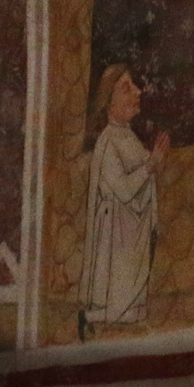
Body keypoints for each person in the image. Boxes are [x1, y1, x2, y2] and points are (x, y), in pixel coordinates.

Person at [79, 64, 169, 332]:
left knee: (131, 307)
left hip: (132, 230)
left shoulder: (127, 136)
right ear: (109, 100)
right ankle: (92, 320)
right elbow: (126, 189)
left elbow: (145, 175)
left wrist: (155, 163)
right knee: (116, 304)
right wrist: (152, 163)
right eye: (126, 88)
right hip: (116, 232)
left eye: (134, 86)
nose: (137, 92)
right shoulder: (107, 143)